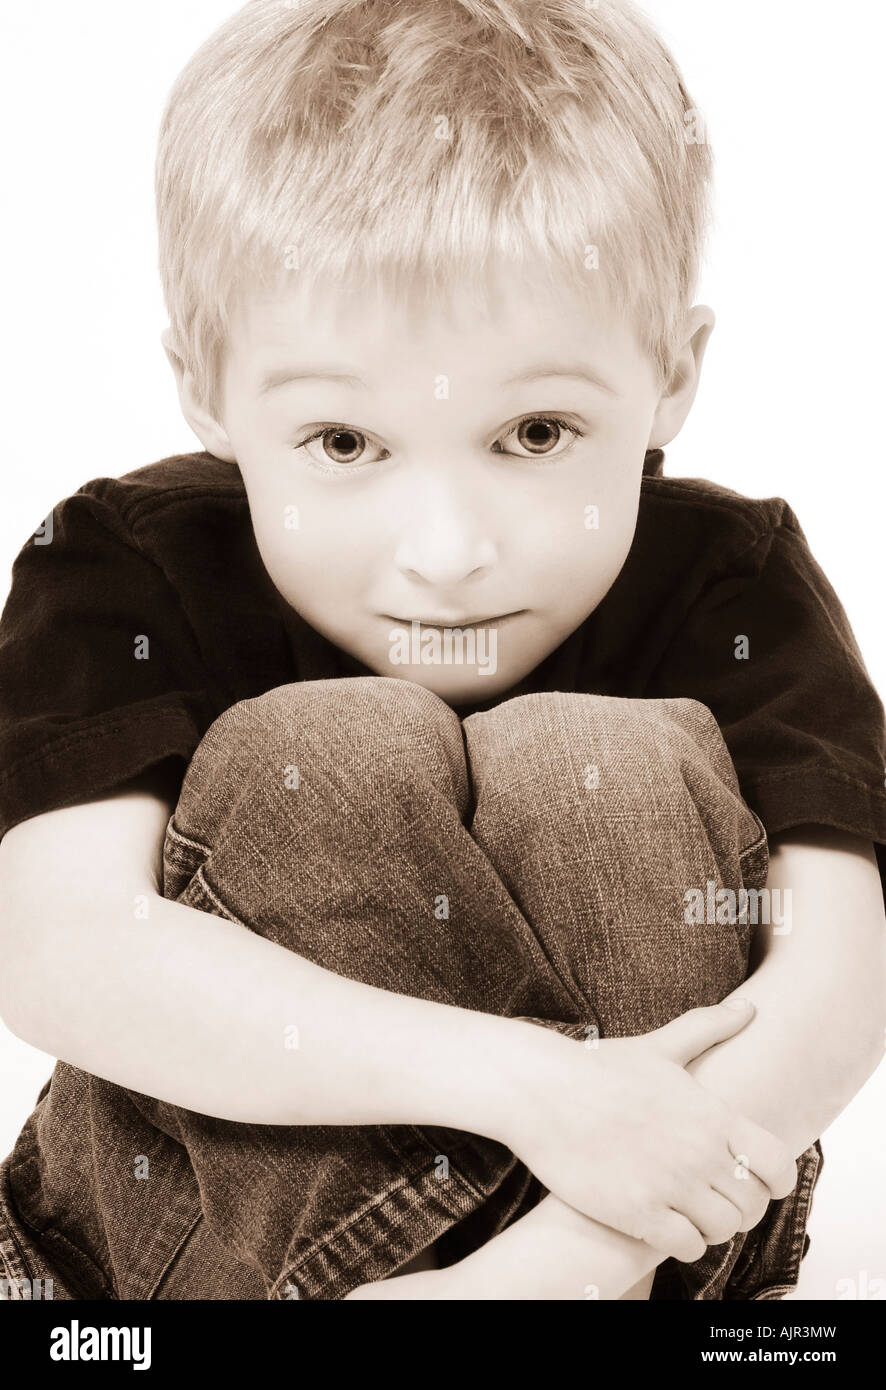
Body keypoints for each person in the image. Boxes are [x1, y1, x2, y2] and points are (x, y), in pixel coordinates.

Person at [0, 0, 884, 1302]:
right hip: (185, 1256)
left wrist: (567, 1259)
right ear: (204, 388)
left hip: (642, 1241)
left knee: (596, 760)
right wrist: (533, 1089)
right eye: (345, 444)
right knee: (333, 744)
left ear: (673, 373)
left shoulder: (727, 579)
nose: (448, 548)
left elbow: (840, 974)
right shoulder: (126, 562)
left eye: (533, 433)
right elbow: (58, 942)